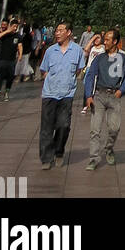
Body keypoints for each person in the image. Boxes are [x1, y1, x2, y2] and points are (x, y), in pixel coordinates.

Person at [37, 22, 86, 170]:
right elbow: (44, 70)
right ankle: (46, 157)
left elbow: (79, 69)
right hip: (49, 94)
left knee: (64, 126)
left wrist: (68, 81)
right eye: (56, 31)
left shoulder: (77, 50)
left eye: (60, 30)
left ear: (69, 32)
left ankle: (59, 152)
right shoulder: (50, 51)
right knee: (46, 127)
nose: (57, 33)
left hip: (67, 94)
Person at [84, 29, 125, 170]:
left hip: (114, 97)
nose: (104, 42)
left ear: (115, 42)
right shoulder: (99, 58)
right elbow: (90, 76)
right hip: (99, 96)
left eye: (107, 40)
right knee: (95, 129)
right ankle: (93, 158)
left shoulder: (123, 58)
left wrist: (121, 90)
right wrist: (89, 95)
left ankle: (109, 148)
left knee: (114, 128)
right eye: (104, 39)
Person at [0, 18, 23, 103]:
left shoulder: (18, 36)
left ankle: (7, 92)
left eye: (16, 27)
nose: (15, 28)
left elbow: (20, 46)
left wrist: (20, 55)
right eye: (13, 26)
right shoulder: (5, 34)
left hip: (12, 60)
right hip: (2, 59)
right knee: (0, 77)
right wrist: (7, 31)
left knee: (10, 77)